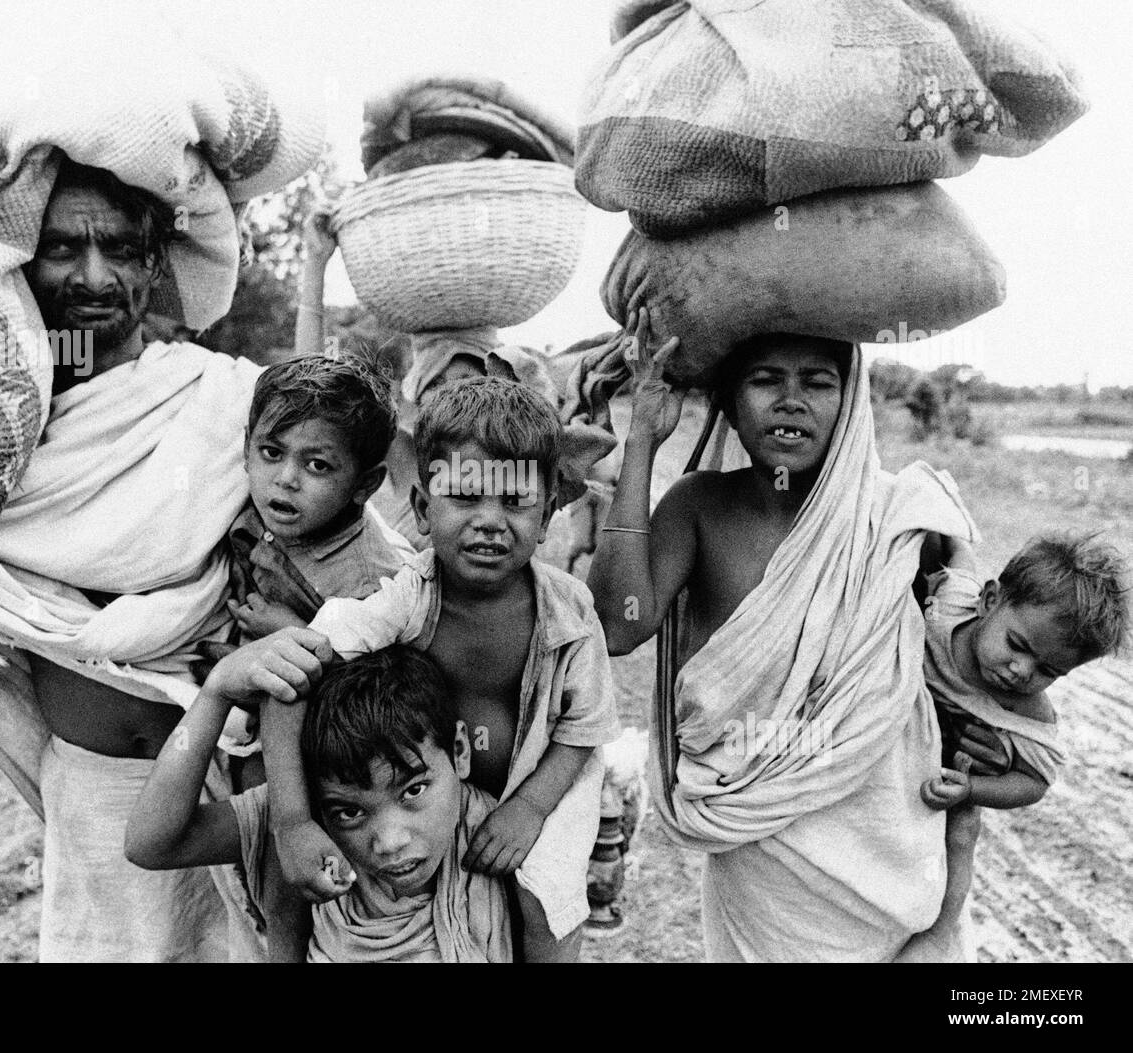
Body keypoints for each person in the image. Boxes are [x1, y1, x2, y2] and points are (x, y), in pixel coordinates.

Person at [0, 121, 314, 961]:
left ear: (155, 261)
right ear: (21, 257)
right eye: (61, 249)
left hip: (234, 796)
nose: (93, 278)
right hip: (93, 806)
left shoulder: (220, 403)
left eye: (120, 248)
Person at [587, 308, 995, 962]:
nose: (791, 401)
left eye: (818, 381)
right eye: (764, 379)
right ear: (727, 397)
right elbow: (616, 623)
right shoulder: (700, 508)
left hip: (889, 846)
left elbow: (976, 664)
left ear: (852, 395)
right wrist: (640, 443)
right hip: (767, 865)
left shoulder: (904, 518)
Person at [249, 377, 620, 961]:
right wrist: (293, 820)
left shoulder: (570, 612)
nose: (490, 521)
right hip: (425, 794)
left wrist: (528, 810)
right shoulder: (405, 598)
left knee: (544, 898)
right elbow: (286, 682)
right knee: (294, 869)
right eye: (466, 497)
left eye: (515, 501)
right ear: (423, 508)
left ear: (547, 513)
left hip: (542, 782)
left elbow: (584, 729)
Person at [126, 644, 512, 962]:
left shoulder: (497, 832)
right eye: (351, 812)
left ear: (459, 751)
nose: (390, 842)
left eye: (413, 791)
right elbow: (152, 842)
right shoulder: (308, 823)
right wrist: (216, 694)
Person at [921, 532, 1130, 811]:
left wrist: (971, 789)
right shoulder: (950, 604)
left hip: (941, 783)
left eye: (1048, 670)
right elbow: (961, 564)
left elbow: (1033, 782)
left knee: (962, 831)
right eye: (1017, 645)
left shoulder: (1026, 709)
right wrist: (954, 536)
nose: (1021, 671)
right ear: (989, 601)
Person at [215, 354, 414, 643]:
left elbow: (373, 679)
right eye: (272, 452)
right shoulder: (239, 500)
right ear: (247, 449)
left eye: (317, 465)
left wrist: (296, 635)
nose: (285, 479)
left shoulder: (369, 588)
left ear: (364, 484)